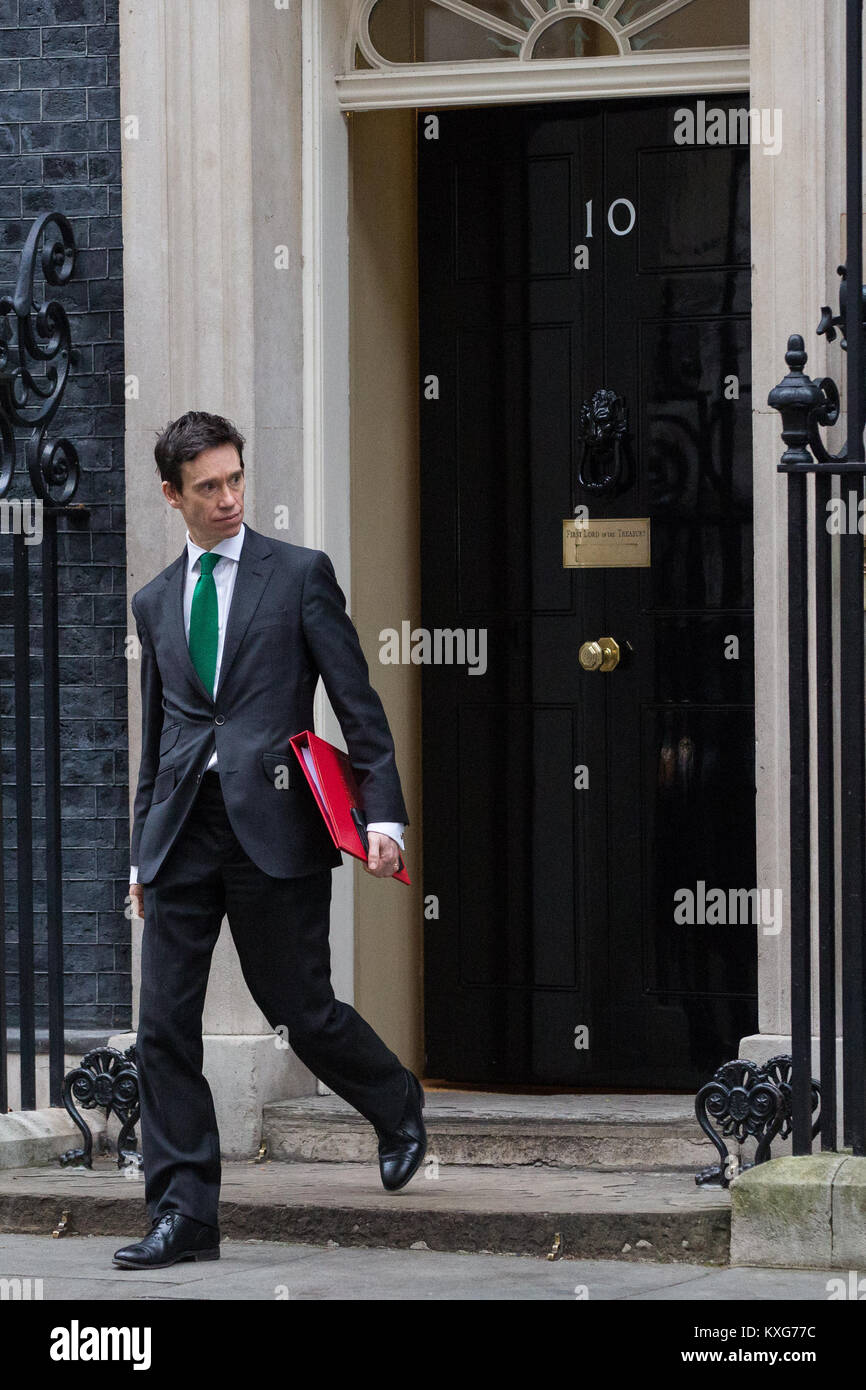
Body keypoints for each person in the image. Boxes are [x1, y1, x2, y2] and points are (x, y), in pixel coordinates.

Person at [112, 411, 425, 1271]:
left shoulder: (297, 577)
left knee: (301, 1008)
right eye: (207, 486)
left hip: (276, 824)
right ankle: (186, 1216)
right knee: (162, 1028)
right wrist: (141, 853)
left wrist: (382, 816)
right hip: (181, 834)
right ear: (172, 494)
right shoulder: (153, 602)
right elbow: (162, 740)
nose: (228, 499)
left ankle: (394, 1101)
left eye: (235, 479)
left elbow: (356, 703)